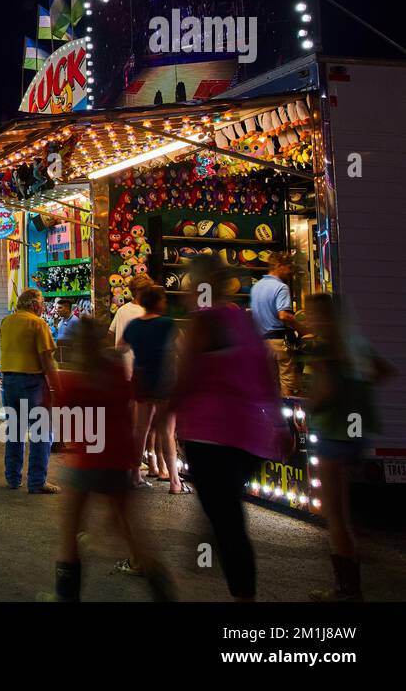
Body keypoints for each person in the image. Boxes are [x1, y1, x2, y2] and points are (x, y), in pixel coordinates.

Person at [165, 256, 285, 601]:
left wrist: (166, 416)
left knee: (226, 520)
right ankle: (205, 556)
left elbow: (186, 376)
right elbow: (266, 375)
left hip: (210, 437)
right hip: (249, 437)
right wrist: (278, 423)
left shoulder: (204, 323)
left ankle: (234, 588)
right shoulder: (242, 320)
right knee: (224, 512)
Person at [51, 318, 174, 602]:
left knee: (70, 532)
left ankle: (65, 596)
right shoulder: (118, 372)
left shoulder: (74, 380)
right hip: (118, 459)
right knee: (132, 532)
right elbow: (128, 408)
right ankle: (163, 589)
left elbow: (66, 424)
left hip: (86, 463)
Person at [303, 293, 395, 601]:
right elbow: (385, 371)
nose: (308, 319)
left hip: (332, 434)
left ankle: (347, 589)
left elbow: (325, 390)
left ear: (321, 317)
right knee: (343, 512)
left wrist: (309, 407)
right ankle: (349, 583)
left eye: (311, 314)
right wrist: (358, 388)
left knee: (336, 516)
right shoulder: (355, 344)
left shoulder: (323, 346)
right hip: (356, 437)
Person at [120, 285, 187, 494]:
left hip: (141, 378)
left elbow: (120, 347)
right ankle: (175, 482)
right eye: (164, 299)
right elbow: (184, 350)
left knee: (141, 429)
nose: (166, 302)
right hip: (165, 379)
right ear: (157, 301)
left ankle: (134, 474)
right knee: (167, 432)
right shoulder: (168, 324)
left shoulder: (134, 325)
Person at [0, 287, 61, 493]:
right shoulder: (38, 323)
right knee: (41, 432)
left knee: (14, 431)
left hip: (8, 381)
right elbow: (47, 360)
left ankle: (13, 478)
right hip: (31, 382)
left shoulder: (6, 322)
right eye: (41, 303)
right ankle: (36, 482)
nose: (43, 307)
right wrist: (57, 387)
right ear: (35, 305)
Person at [250, 252, 302, 396]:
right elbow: (284, 315)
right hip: (278, 342)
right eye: (289, 267)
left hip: (260, 343)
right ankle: (287, 418)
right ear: (279, 265)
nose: (290, 272)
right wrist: (303, 328)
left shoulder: (256, 287)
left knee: (267, 385)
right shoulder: (281, 287)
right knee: (287, 385)